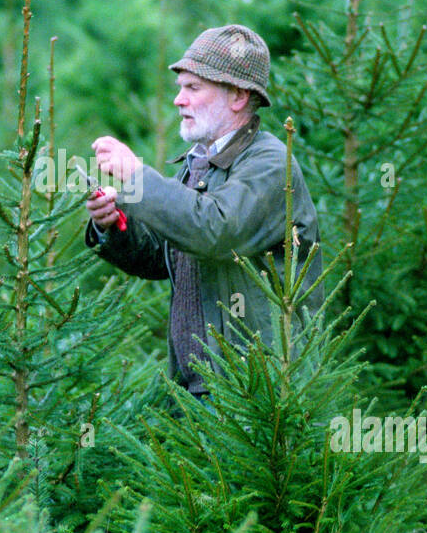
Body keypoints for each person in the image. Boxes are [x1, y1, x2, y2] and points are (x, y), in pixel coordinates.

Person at [86, 23, 324, 403]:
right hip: (194, 391)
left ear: (238, 97)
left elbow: (213, 232)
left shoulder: (272, 163)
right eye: (180, 87)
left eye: (193, 88)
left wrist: (135, 177)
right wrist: (114, 224)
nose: (179, 100)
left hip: (257, 396)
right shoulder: (199, 164)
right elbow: (161, 258)